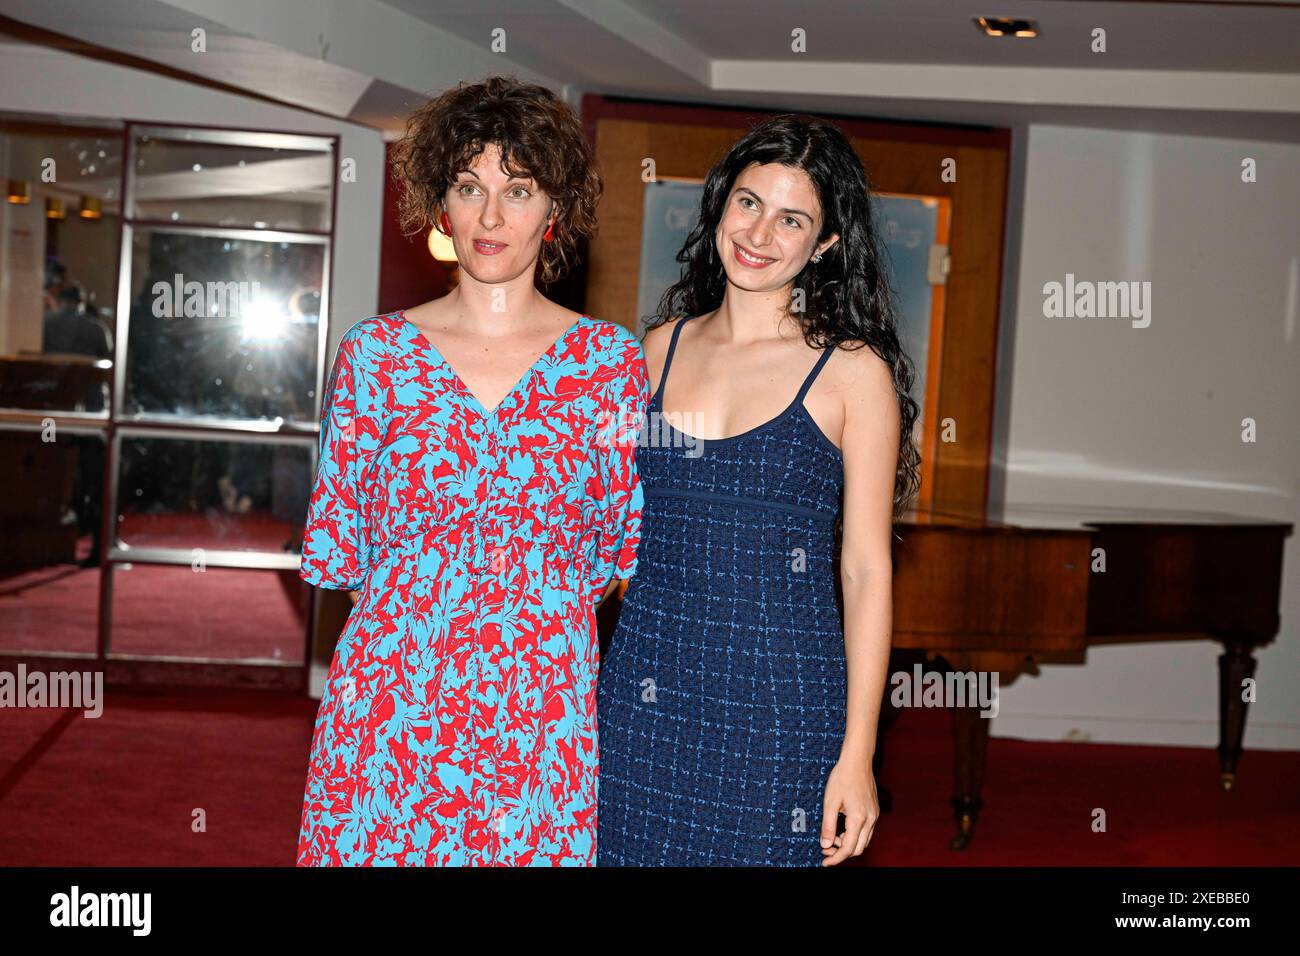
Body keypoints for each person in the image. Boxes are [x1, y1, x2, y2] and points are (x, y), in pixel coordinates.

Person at [296, 76, 647, 866]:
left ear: (555, 209)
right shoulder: (374, 358)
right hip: (390, 709)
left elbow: (613, 556)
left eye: (517, 189)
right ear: (438, 203)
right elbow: (346, 556)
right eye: (468, 186)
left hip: (541, 716)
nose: (491, 216)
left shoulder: (608, 366)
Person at [596, 114, 922, 866]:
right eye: (749, 203)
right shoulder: (653, 350)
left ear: (826, 243)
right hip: (644, 694)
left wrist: (858, 753)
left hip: (777, 707)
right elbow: (615, 529)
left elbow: (867, 572)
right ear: (719, 204)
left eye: (792, 219)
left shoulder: (850, 372)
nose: (760, 233)